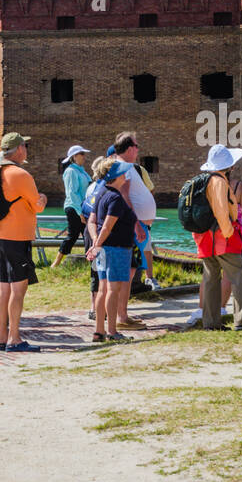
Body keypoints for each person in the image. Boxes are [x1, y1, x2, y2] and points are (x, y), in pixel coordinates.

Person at [192, 144, 242, 331]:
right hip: (222, 238)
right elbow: (222, 211)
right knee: (239, 276)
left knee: (211, 279)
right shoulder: (220, 182)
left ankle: (211, 323)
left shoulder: (205, 180)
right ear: (229, 166)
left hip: (206, 238)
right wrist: (230, 232)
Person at [0, 132, 46, 352]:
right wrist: (43, 199)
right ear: (20, 149)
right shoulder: (21, 174)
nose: (27, 150)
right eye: (25, 146)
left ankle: (2, 337)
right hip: (18, 235)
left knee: (4, 287)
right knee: (18, 288)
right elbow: (37, 206)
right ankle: (15, 337)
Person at [86, 159, 142, 343]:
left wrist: (96, 243)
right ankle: (112, 331)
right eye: (123, 172)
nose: (126, 174)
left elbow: (92, 221)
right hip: (116, 249)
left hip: (104, 249)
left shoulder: (102, 192)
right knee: (113, 289)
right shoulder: (116, 198)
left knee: (103, 289)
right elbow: (107, 227)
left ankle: (99, 331)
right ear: (116, 176)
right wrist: (97, 244)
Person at [112, 132, 156, 323]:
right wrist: (137, 223)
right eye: (137, 146)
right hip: (133, 228)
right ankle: (121, 315)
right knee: (127, 273)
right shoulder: (123, 167)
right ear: (129, 148)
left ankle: (122, 314)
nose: (138, 149)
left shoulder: (127, 167)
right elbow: (124, 197)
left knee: (129, 272)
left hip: (137, 227)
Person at [51, 144, 91, 269]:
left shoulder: (81, 170)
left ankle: (91, 262)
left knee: (87, 235)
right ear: (74, 156)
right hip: (74, 208)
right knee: (73, 235)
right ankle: (56, 263)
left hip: (81, 207)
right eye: (82, 154)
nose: (85, 156)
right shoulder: (71, 171)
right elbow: (72, 193)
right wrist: (80, 212)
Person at [80, 155, 110, 321]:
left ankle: (94, 307)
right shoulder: (105, 188)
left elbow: (85, 213)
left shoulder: (92, 187)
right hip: (99, 231)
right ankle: (101, 307)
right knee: (101, 270)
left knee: (95, 269)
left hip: (89, 231)